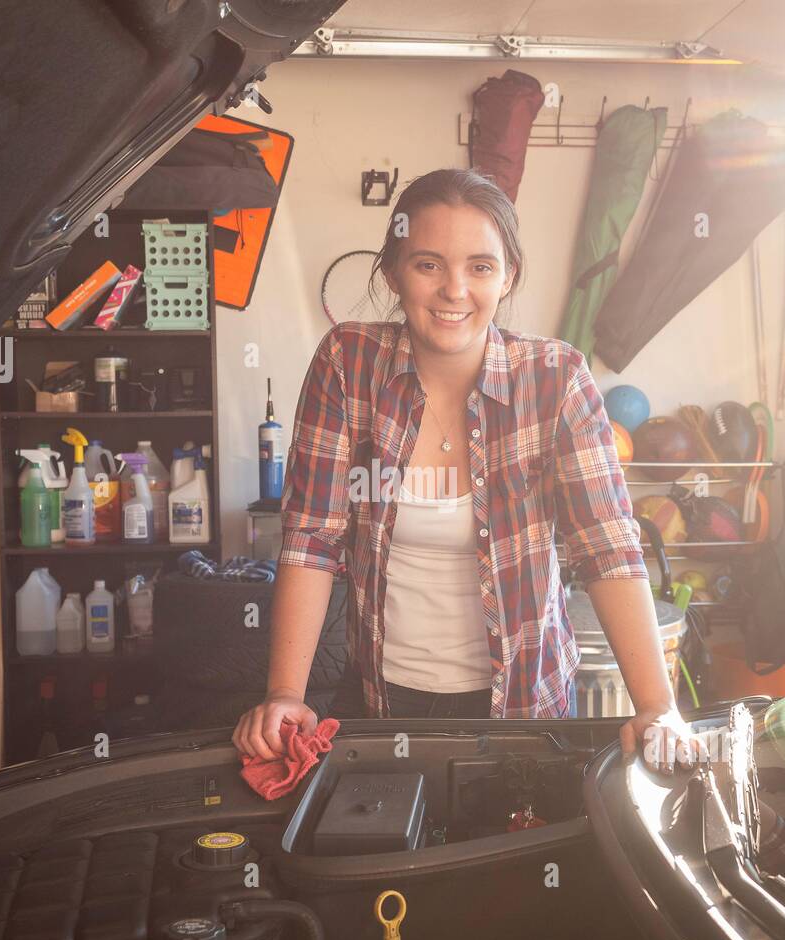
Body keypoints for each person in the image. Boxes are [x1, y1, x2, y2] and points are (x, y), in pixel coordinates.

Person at [232, 168, 703, 772]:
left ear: (507, 278)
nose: (455, 289)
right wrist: (285, 696)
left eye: (480, 267)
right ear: (393, 273)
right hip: (381, 703)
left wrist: (658, 705)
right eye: (428, 264)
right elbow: (312, 539)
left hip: (526, 709)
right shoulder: (348, 364)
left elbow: (606, 548)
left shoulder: (556, 378)